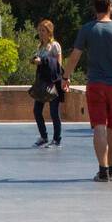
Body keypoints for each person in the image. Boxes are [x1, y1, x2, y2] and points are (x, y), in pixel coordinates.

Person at [62, 0, 112, 182]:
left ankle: (102, 170)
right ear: (110, 6)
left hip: (95, 84)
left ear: (95, 8)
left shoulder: (87, 29)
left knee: (99, 127)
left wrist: (65, 77)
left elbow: (75, 55)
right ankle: (111, 167)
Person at [31, 19, 64, 147]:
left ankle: (57, 138)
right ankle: (43, 136)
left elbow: (58, 64)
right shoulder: (40, 46)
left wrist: (43, 61)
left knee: (54, 112)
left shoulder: (55, 45)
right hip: (41, 81)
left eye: (43, 30)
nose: (41, 33)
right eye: (39, 30)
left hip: (53, 81)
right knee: (37, 110)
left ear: (49, 32)